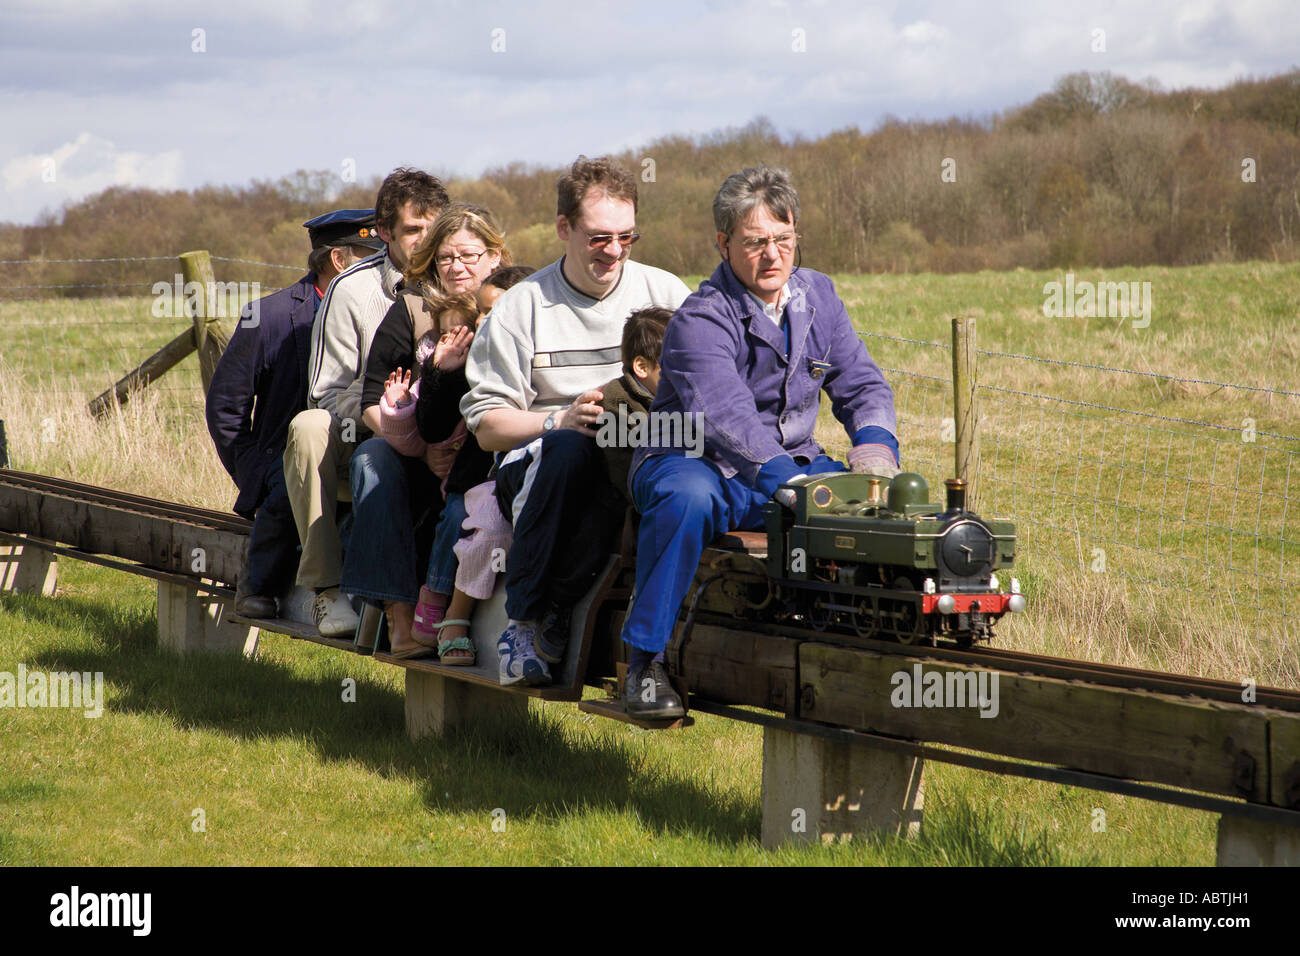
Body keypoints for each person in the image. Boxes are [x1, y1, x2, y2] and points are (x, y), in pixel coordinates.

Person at [620, 165, 900, 718]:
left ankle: (859, 650)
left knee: (875, 512)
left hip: (789, 469)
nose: (772, 255)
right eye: (755, 242)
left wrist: (874, 453)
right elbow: (725, 417)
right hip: (690, 461)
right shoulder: (701, 318)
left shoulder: (818, 294)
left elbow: (860, 380)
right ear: (723, 244)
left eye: (783, 240)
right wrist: (790, 485)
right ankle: (644, 666)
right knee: (686, 502)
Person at [460, 155, 691, 687]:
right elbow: (488, 426)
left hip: (639, 451)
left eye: (626, 238)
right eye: (598, 238)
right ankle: (525, 618)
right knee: (571, 451)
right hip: (541, 461)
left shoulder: (667, 294)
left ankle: (643, 623)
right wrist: (556, 419)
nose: (614, 252)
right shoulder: (523, 307)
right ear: (564, 228)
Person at [282, 169, 448, 638]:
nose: (425, 241)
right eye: (414, 229)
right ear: (383, 232)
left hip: (447, 435)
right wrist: (384, 405)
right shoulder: (352, 290)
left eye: (433, 228)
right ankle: (325, 588)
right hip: (365, 435)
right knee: (309, 426)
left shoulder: (462, 278)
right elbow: (325, 394)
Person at [205, 209, 382, 617]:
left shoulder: (384, 308)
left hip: (356, 447)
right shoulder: (267, 317)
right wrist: (254, 473)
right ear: (339, 261)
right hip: (282, 457)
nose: (379, 267)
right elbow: (225, 408)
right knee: (290, 482)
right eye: (369, 257)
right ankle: (260, 585)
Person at [350, 204, 507, 655]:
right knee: (371, 458)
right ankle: (401, 620)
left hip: (484, 453)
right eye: (444, 257)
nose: (456, 266)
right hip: (416, 449)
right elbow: (369, 404)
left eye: (468, 256)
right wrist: (422, 453)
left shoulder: (516, 301)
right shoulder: (413, 309)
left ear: (495, 256)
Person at [375, 291, 484, 660]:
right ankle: (432, 596)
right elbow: (410, 439)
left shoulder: (487, 368)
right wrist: (400, 406)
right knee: (454, 515)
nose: (453, 341)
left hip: (482, 476)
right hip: (452, 482)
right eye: (445, 333)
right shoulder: (433, 374)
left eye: (463, 332)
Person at [594, 306, 671, 506]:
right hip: (639, 509)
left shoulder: (689, 395)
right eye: (675, 366)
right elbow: (623, 475)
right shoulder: (615, 403)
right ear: (642, 367)